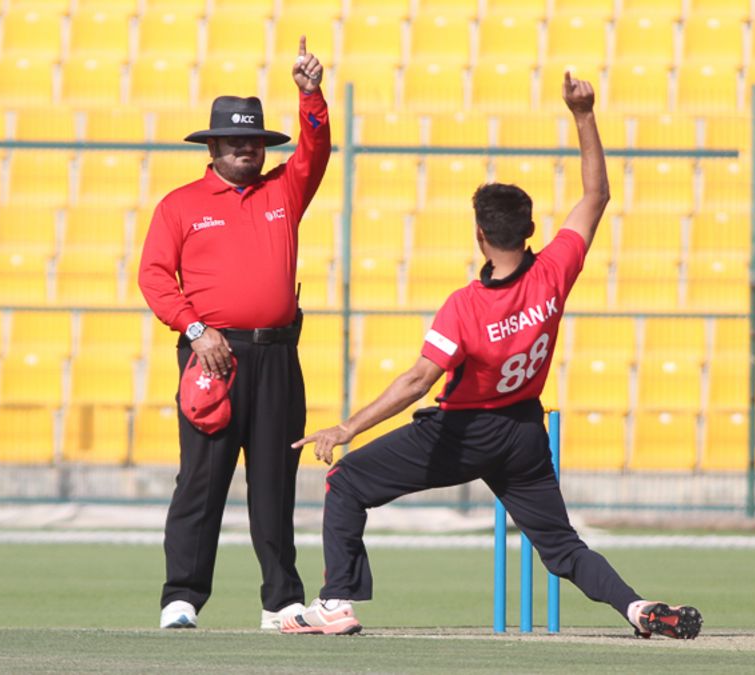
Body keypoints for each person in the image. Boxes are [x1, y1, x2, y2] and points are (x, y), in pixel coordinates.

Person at [279, 73, 703, 639]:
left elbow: (418, 381)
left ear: (480, 235)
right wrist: (583, 114)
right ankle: (639, 608)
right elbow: (597, 196)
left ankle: (335, 602)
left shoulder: (466, 305)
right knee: (560, 545)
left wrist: (347, 427)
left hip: (462, 432)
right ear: (530, 231)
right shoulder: (553, 273)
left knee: (347, 484)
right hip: (525, 432)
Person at [138, 37, 330, 630]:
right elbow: (152, 277)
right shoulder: (181, 204)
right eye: (236, 141)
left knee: (275, 482)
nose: (247, 149)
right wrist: (196, 330)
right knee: (202, 479)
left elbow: (316, 151)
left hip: (276, 356)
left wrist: (310, 95)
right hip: (212, 356)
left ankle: (281, 601)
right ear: (214, 146)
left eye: (255, 140)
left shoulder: (283, 190)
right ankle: (181, 597)